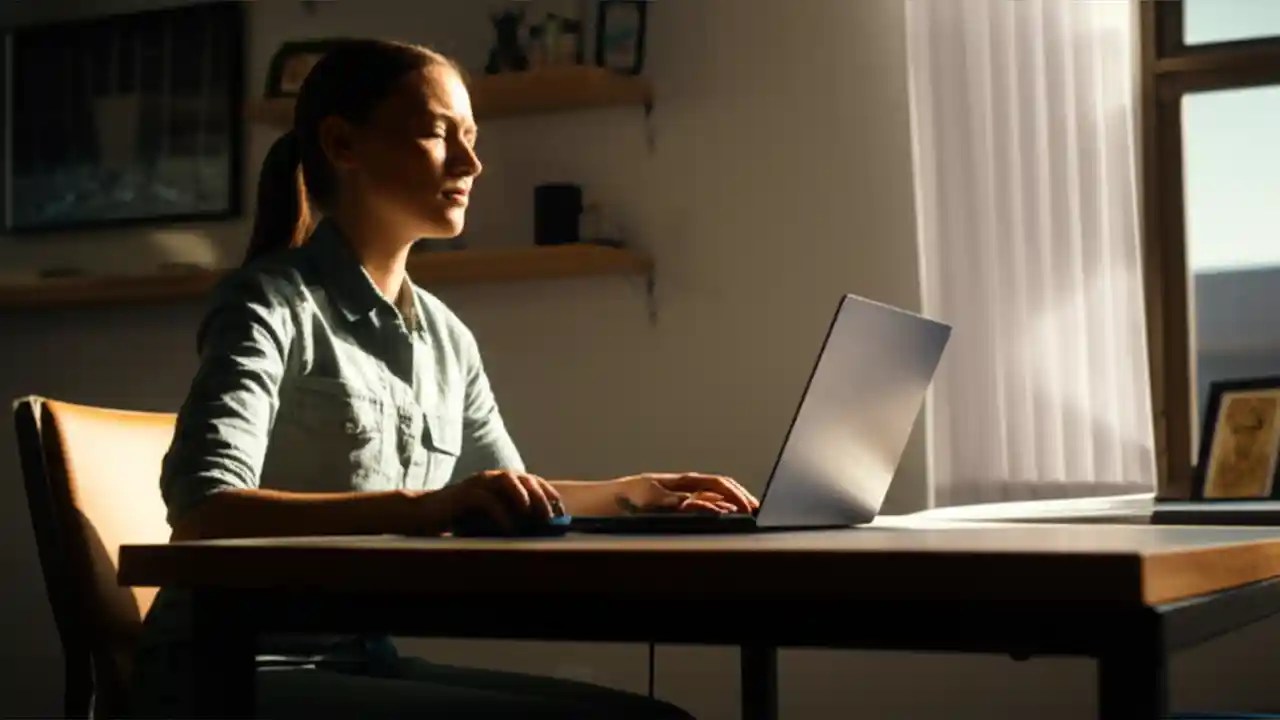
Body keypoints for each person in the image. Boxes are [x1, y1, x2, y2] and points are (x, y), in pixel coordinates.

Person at [125, 38, 758, 719]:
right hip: (224, 672)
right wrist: (423, 507)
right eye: (437, 134)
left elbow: (500, 494)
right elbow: (205, 514)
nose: (470, 163)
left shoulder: (447, 337)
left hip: (361, 662)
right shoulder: (270, 303)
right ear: (342, 143)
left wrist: (635, 494)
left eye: (472, 139)